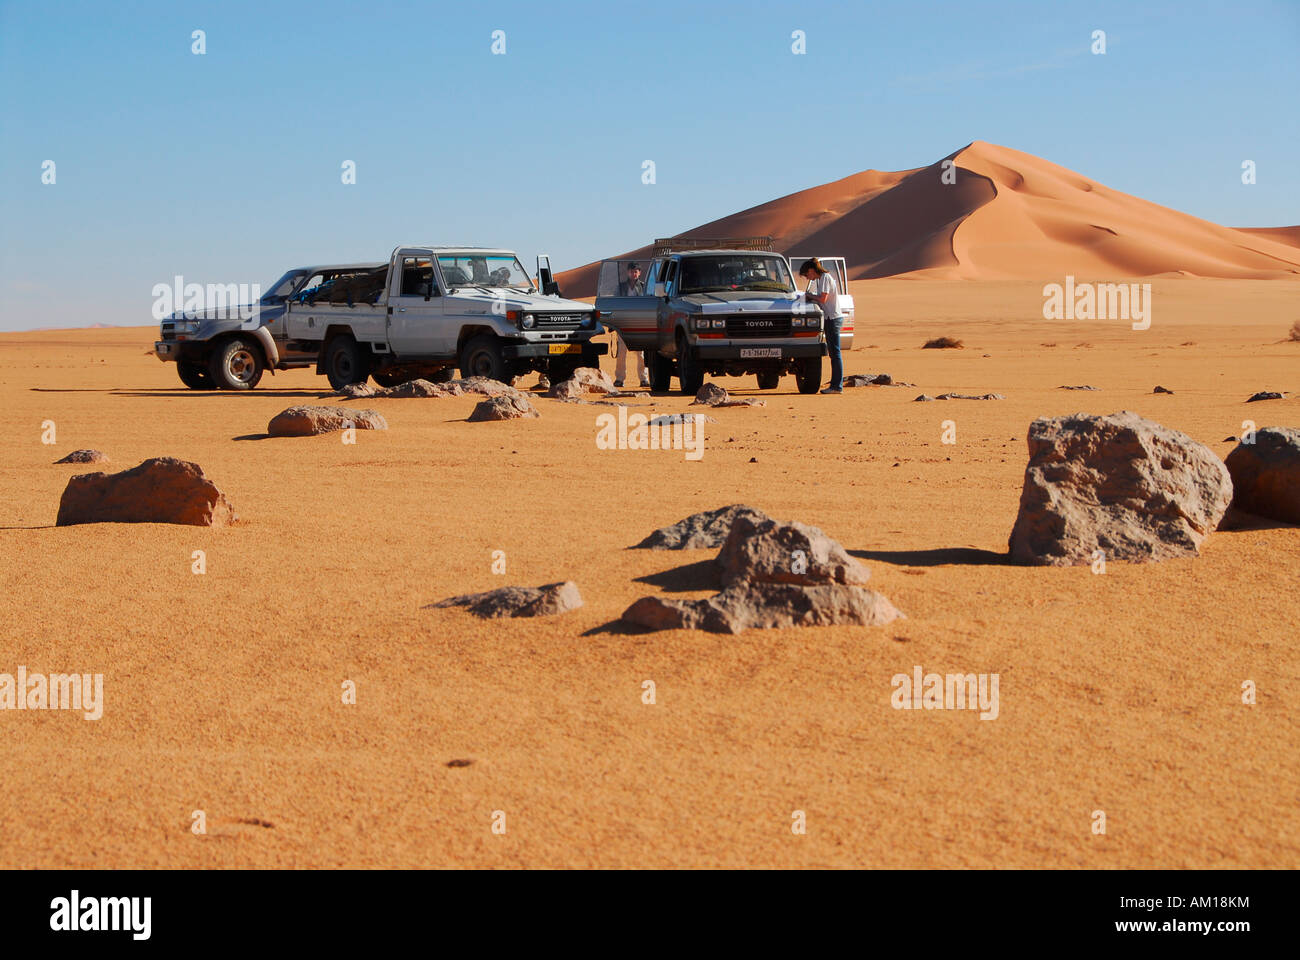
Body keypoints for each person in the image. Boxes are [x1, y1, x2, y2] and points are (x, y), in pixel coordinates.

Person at [801, 258, 844, 394]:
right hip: (829, 318)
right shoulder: (821, 279)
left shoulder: (825, 277)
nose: (808, 278)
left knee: (835, 354)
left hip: (832, 318)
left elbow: (823, 298)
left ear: (812, 270)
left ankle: (837, 386)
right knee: (834, 353)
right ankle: (835, 385)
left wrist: (810, 296)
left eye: (807, 274)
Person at [613, 262, 646, 386]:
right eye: (632, 271)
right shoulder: (621, 287)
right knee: (621, 353)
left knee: (641, 354)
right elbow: (614, 303)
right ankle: (619, 379)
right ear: (628, 272)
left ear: (639, 273)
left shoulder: (643, 286)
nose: (634, 273)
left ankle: (644, 378)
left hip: (640, 324)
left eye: (636, 271)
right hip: (624, 324)